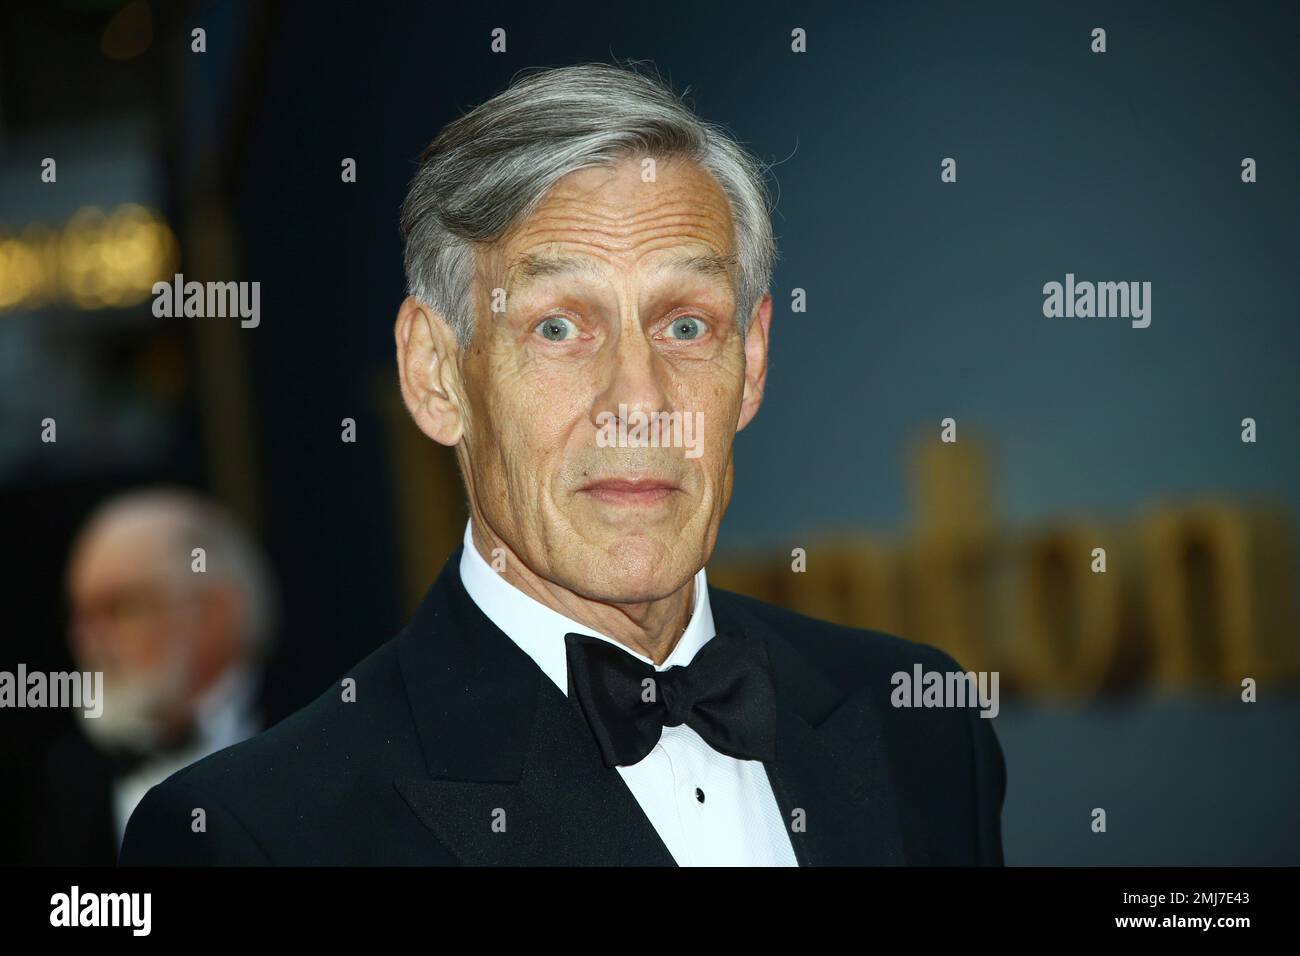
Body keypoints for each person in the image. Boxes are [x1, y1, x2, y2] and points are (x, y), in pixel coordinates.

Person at [120, 61, 1005, 866]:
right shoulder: (259, 839)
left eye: (685, 325)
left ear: (754, 363)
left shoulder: (914, 722)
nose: (638, 401)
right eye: (558, 328)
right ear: (435, 377)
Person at [27, 486, 275, 865]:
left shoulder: (323, 734)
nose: (88, 640)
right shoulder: (64, 782)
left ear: (215, 612)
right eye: (80, 614)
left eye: (121, 608)